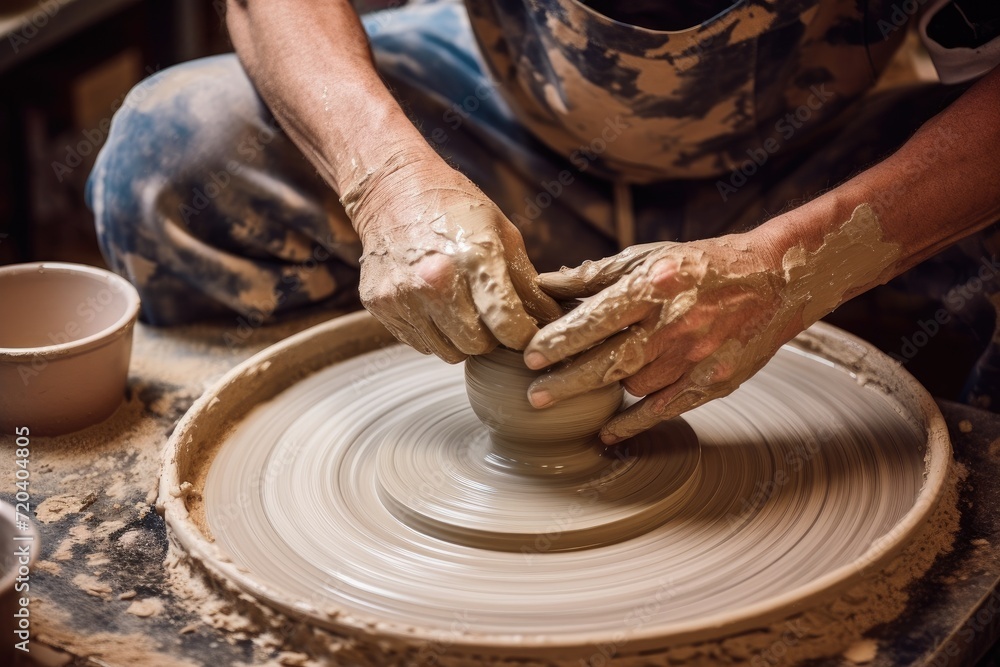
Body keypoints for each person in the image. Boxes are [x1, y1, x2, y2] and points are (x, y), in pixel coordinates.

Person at [88, 0, 1000, 443]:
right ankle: (313, 470)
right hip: (497, 136)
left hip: (815, 167)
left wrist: (799, 267)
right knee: (173, 157)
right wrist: (388, 179)